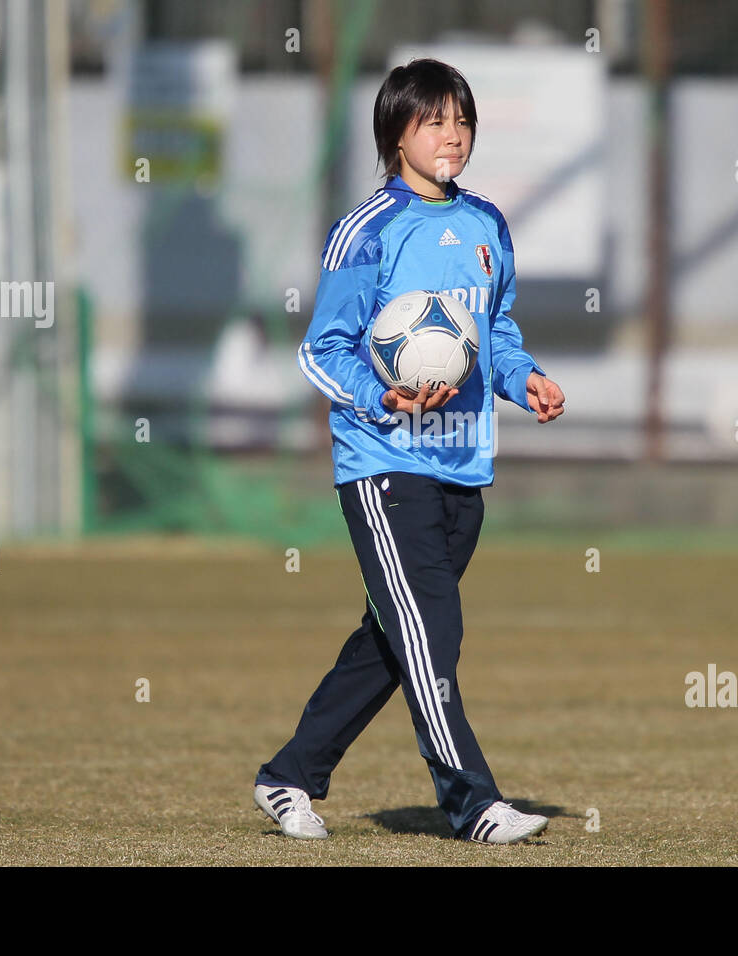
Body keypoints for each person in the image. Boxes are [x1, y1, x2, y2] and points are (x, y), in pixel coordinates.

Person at [253, 58, 565, 845]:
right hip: (384, 464)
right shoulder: (368, 229)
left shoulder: (488, 223)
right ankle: (474, 804)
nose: (451, 135)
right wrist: (379, 393)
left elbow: (495, 330)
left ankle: (288, 775)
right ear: (395, 135)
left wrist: (524, 378)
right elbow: (321, 350)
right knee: (431, 635)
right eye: (433, 122)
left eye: (461, 121)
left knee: (395, 642)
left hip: (463, 465)